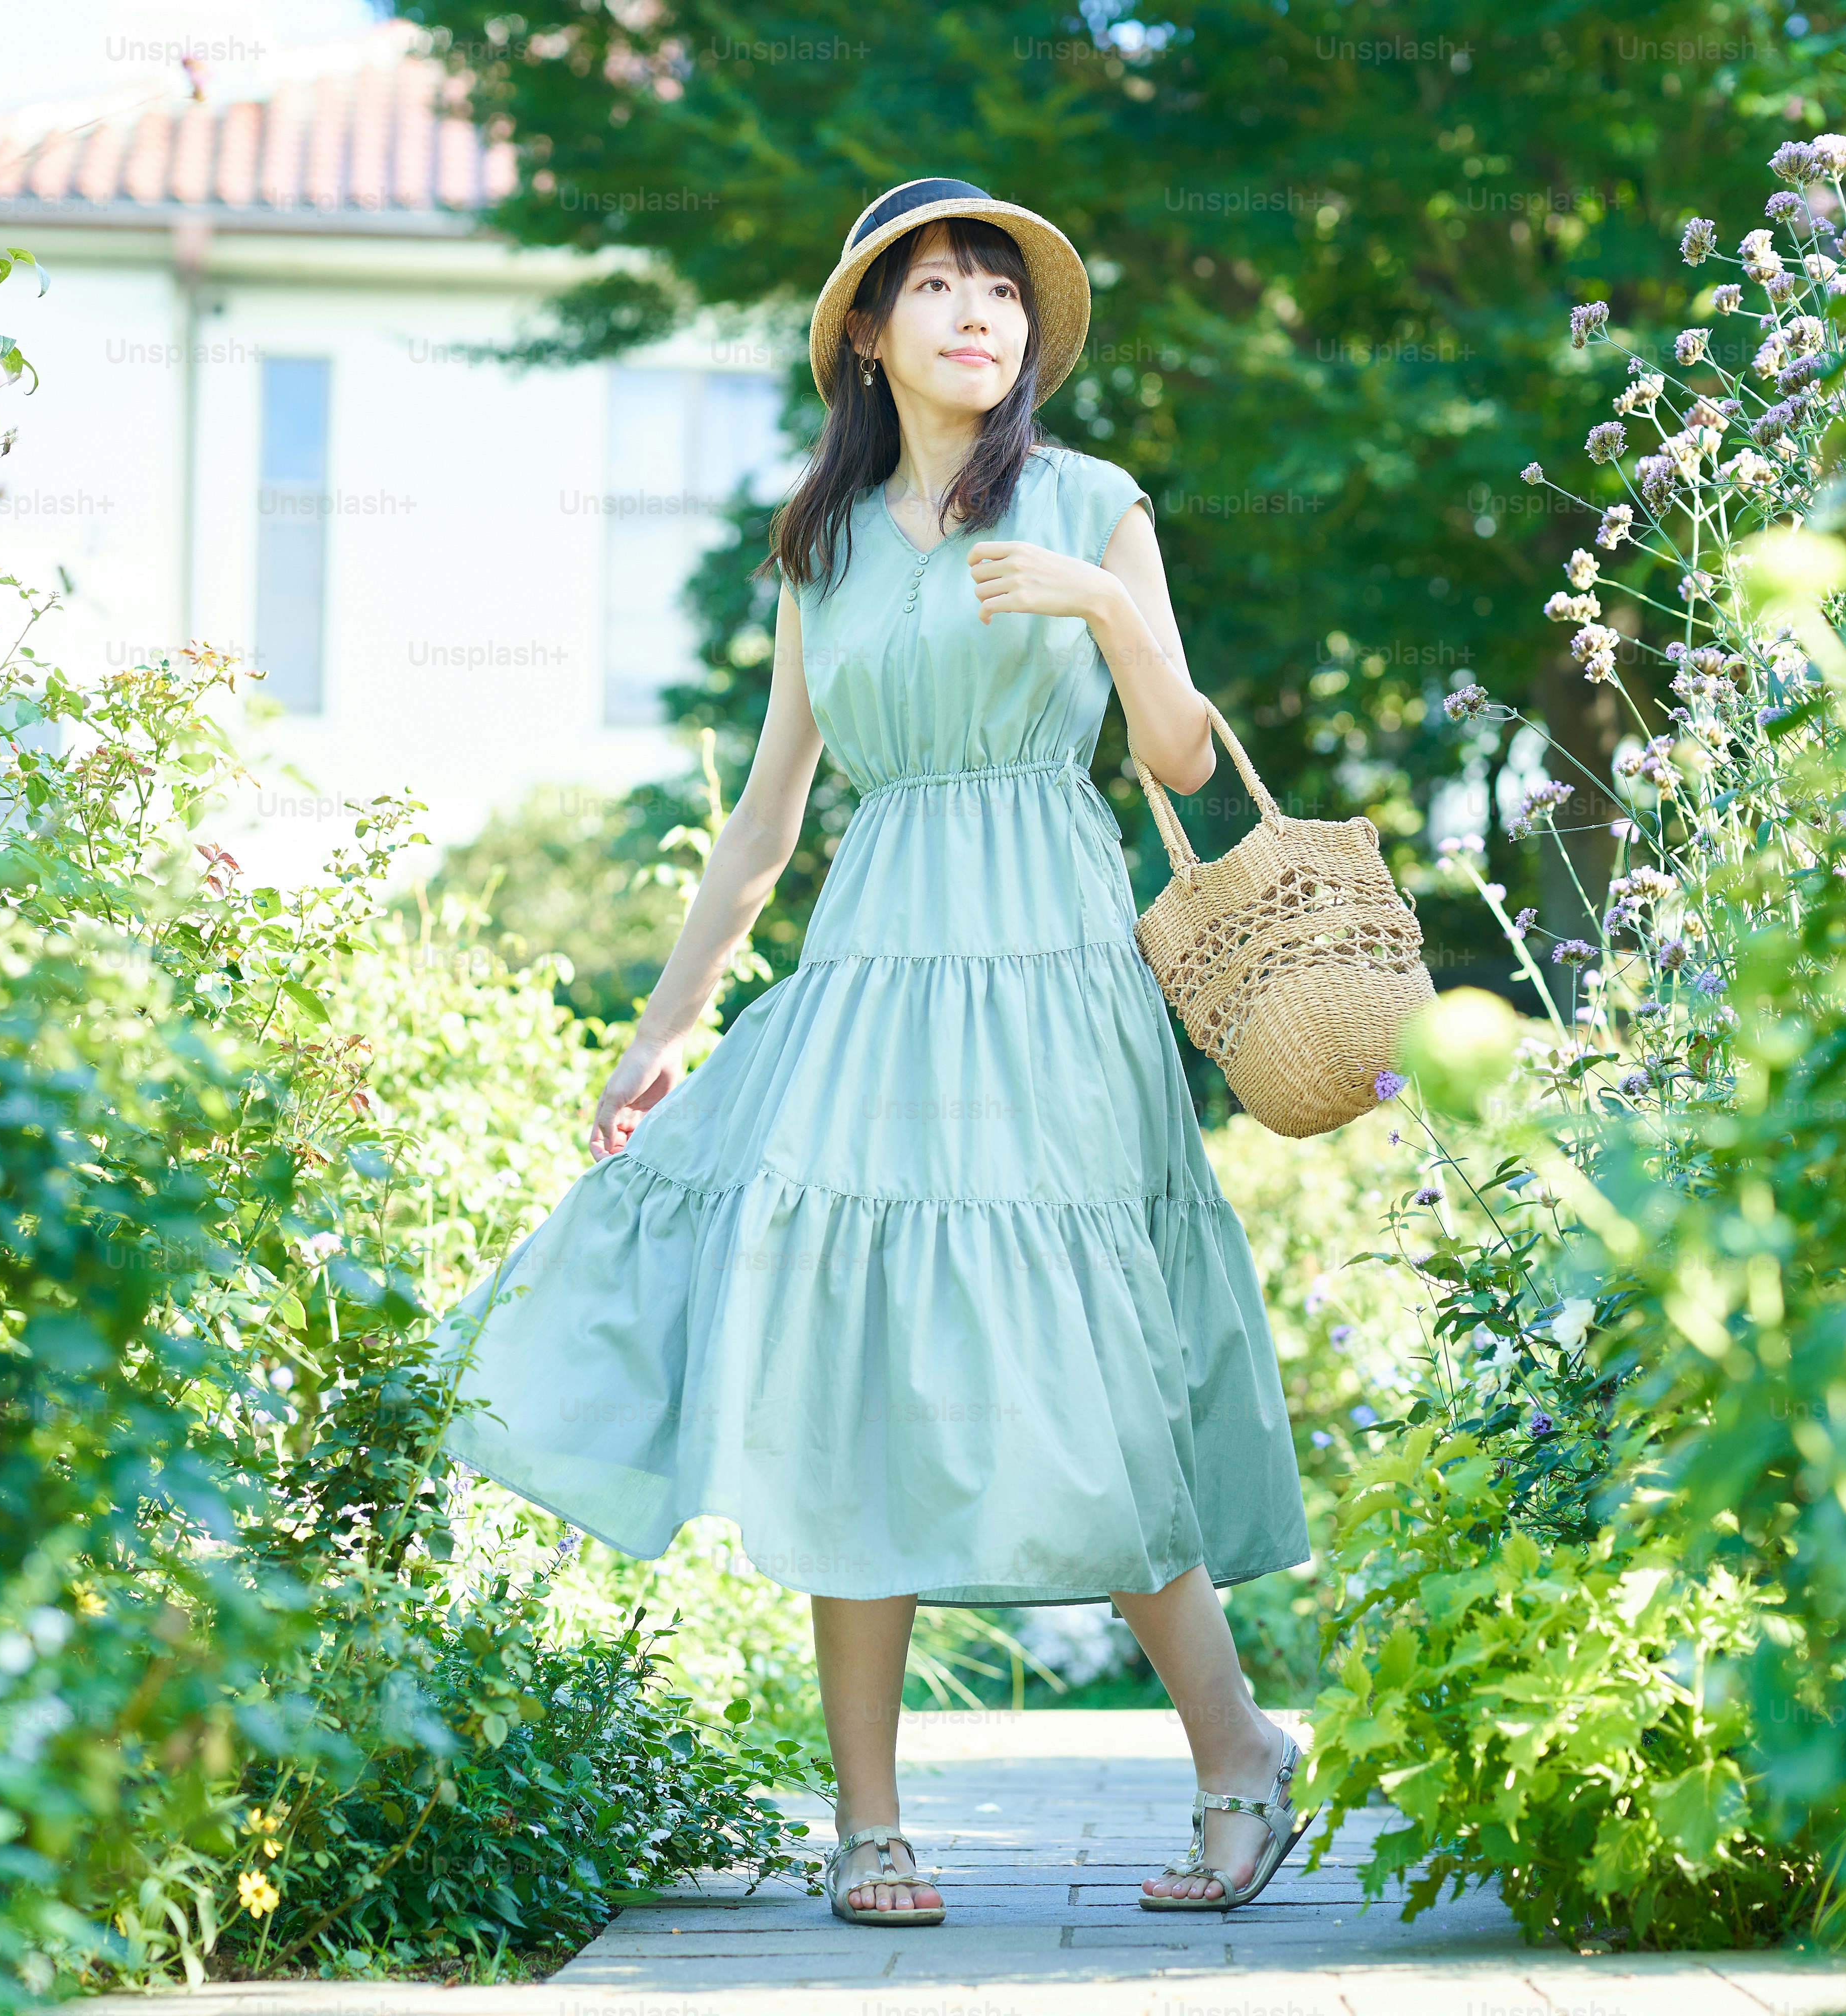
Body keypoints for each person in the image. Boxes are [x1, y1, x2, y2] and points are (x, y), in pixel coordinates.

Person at [435, 177, 1313, 1925]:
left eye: (1001, 289)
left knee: (1090, 1364)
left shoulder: (1094, 505)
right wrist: (664, 1028)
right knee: (850, 1362)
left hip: (1054, 975)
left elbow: (1185, 762)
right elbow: (767, 817)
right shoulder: (821, 546)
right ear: (867, 331)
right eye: (937, 288)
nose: (978, 313)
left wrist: (1109, 606)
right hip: (873, 979)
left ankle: (1238, 1755)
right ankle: (870, 1825)